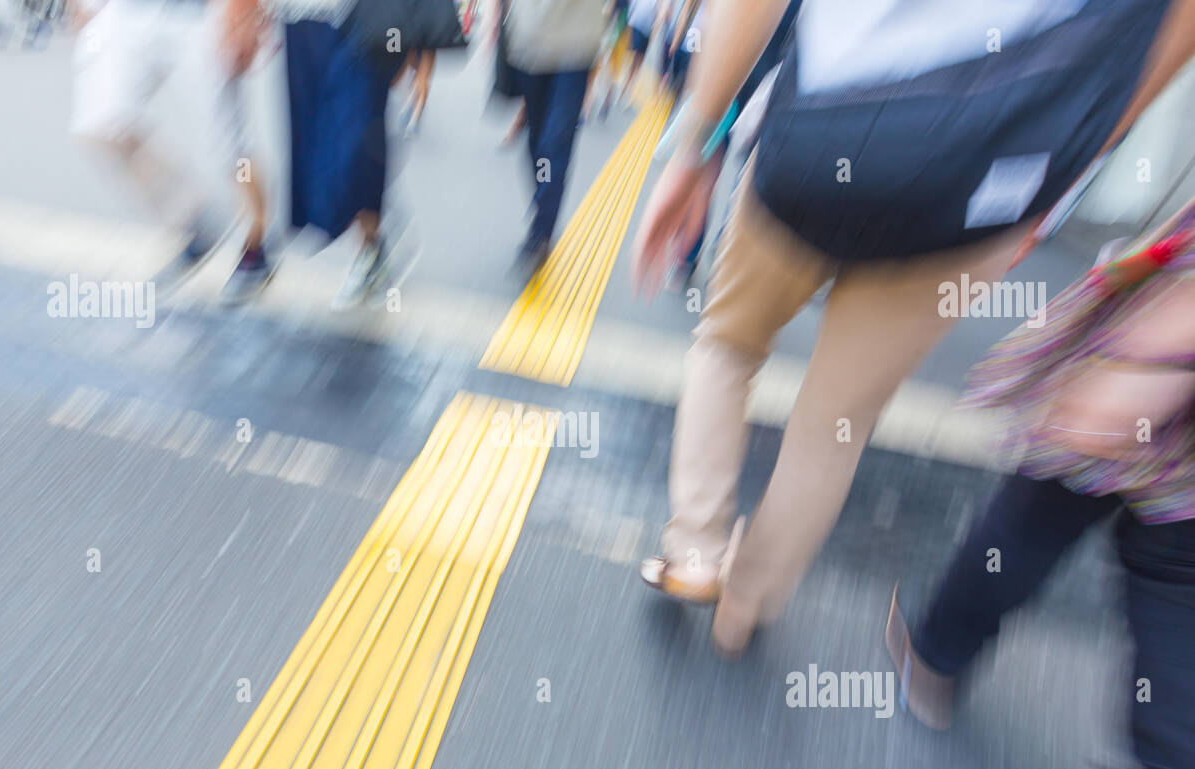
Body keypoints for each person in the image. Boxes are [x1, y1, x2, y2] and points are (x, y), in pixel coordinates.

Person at [632, 0, 1195, 656]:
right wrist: (1057, 174)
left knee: (728, 343)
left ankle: (695, 552)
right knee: (833, 425)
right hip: (979, 184)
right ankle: (745, 608)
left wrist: (696, 140)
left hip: (823, 129)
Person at [887, 208, 1195, 769]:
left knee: (1040, 508)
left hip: (1171, 378)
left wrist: (1145, 357)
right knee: (1177, 578)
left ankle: (935, 655)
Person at [69, 0, 273, 303]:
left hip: (201, 15)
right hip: (126, 13)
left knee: (231, 150)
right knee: (101, 123)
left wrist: (245, 9)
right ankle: (196, 221)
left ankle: (256, 246)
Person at [492, 0, 609, 276]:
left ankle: (541, 231)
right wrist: (496, 24)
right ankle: (543, 203)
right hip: (530, 40)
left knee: (556, 140)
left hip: (577, 44)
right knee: (536, 138)